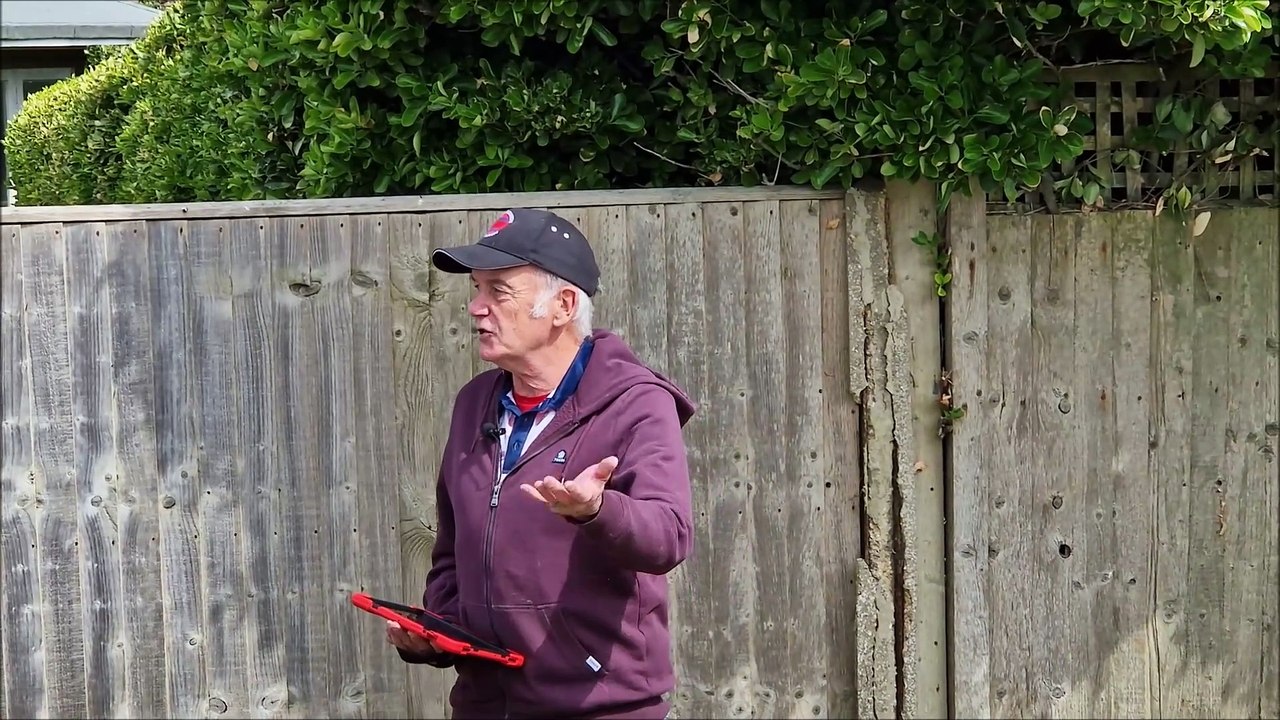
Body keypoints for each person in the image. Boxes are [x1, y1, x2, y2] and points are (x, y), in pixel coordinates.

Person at [386, 207, 697, 720]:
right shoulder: (473, 404)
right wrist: (438, 635)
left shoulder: (636, 403)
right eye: (476, 290)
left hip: (600, 706)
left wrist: (596, 511)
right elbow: (452, 554)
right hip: (485, 705)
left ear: (563, 305)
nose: (476, 308)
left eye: (499, 291)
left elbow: (668, 535)